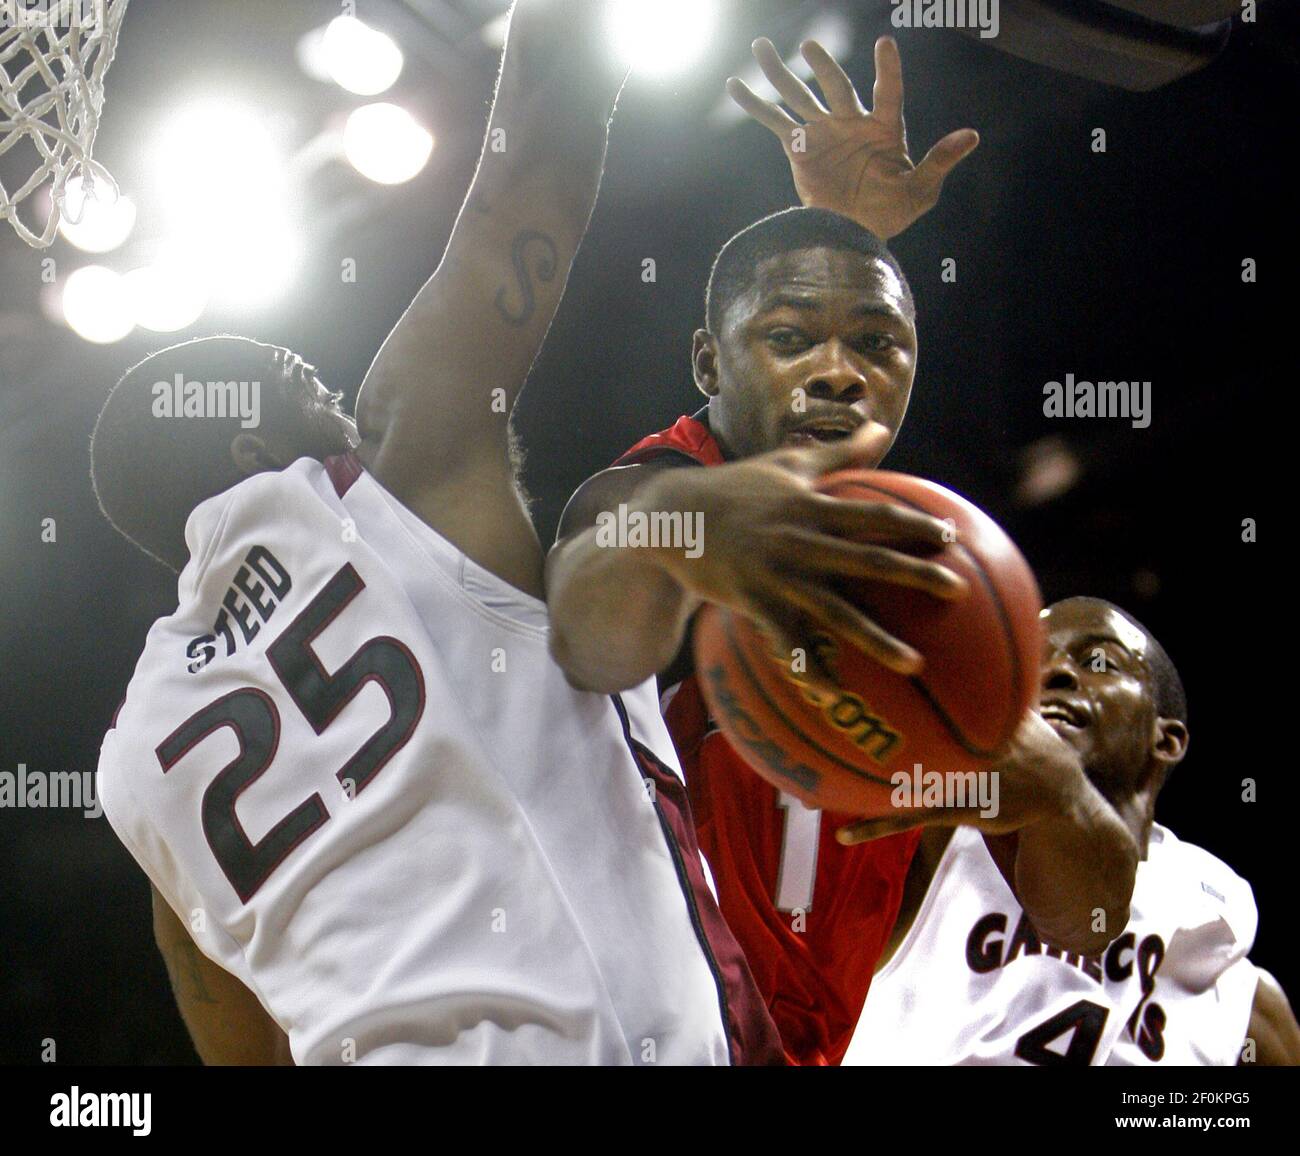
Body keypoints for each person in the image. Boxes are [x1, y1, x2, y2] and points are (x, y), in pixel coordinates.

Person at [92, 0, 781, 1066]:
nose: (327, 384)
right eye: (296, 381)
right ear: (243, 449)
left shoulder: (136, 759)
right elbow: (532, 175)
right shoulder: (390, 477)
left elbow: (240, 1056)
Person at [545, 38, 1136, 1065]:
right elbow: (587, 613)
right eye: (788, 339)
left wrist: (1057, 794)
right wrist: (691, 539)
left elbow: (1089, 923)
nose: (838, 373)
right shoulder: (663, 486)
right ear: (706, 363)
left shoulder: (935, 574)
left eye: (876, 344)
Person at [843, 597, 1300, 1066]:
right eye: (1030, 664)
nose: (1054, 673)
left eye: (1099, 661)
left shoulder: (1222, 957)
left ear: (1167, 738)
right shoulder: (933, 832)